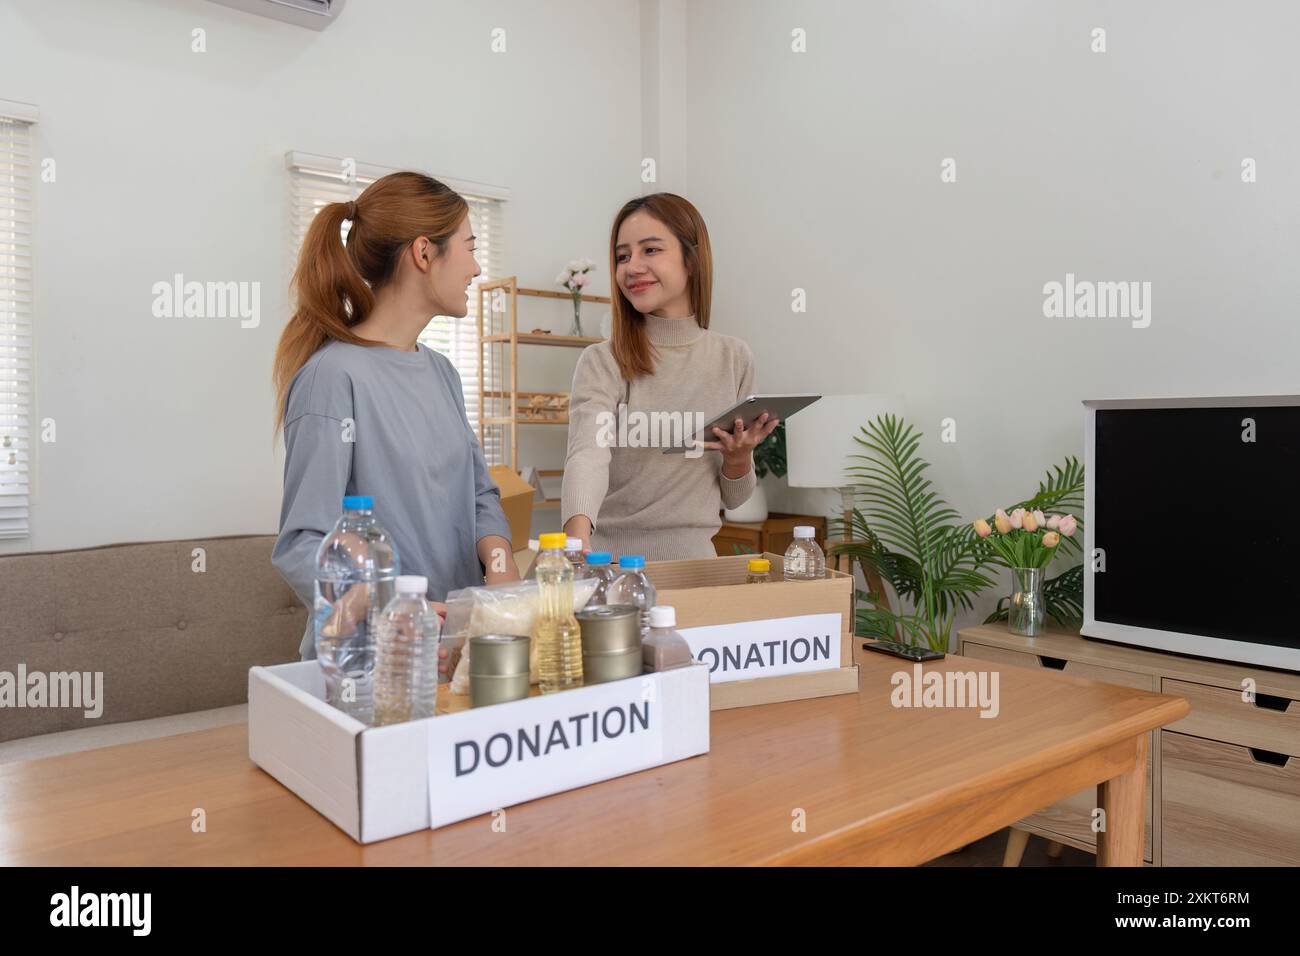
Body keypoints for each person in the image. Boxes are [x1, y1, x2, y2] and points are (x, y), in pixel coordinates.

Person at [271, 171, 518, 662]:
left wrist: (500, 569)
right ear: (425, 253)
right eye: (469, 246)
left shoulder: (442, 372)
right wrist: (398, 611)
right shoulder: (332, 377)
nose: (476, 267)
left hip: (456, 653)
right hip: (373, 662)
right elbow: (303, 544)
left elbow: (480, 494)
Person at [561, 193, 778, 560]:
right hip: (612, 566)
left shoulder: (733, 358)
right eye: (622, 256)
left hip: (697, 569)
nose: (632, 267)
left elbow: (736, 497)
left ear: (691, 261)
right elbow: (588, 455)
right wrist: (576, 547)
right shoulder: (602, 361)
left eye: (650, 250)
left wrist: (739, 459)